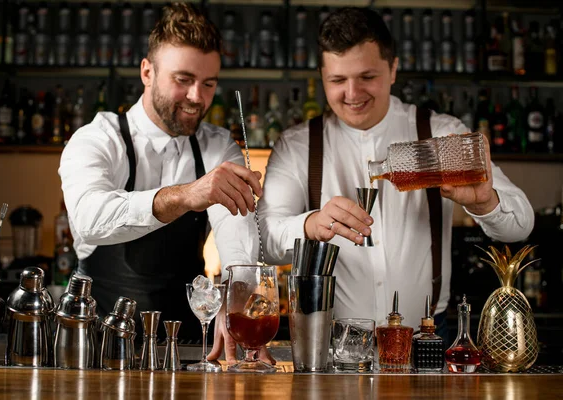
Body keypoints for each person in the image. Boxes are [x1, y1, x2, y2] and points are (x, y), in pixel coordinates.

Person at [210, 6, 534, 362]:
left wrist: (485, 202)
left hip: (427, 338)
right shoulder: (298, 144)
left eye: (367, 76)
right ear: (322, 76)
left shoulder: (441, 132)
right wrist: (310, 223)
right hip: (332, 346)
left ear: (393, 69)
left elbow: (520, 225)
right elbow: (266, 243)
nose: (352, 93)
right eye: (337, 80)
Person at [59, 3, 261, 340]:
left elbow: (237, 232)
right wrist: (185, 195)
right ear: (147, 72)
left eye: (209, 84)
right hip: (96, 346)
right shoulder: (98, 138)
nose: (197, 97)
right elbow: (88, 220)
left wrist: (235, 293)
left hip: (184, 348)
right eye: (183, 80)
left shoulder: (219, 147)